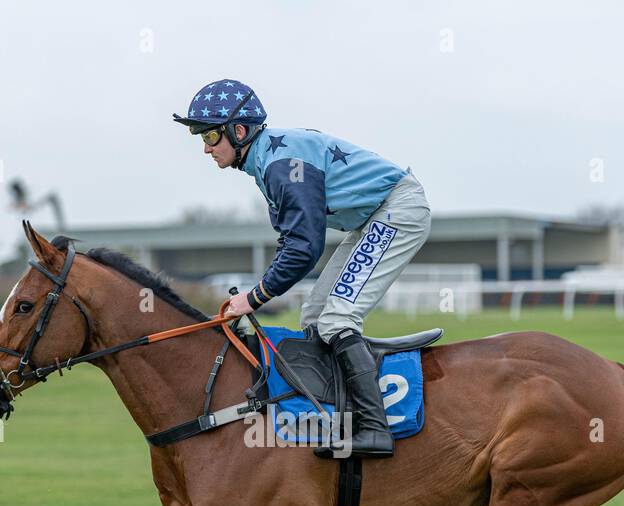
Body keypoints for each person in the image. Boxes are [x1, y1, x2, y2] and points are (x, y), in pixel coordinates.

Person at [172, 80, 431, 458]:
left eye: (210, 135)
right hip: (374, 217)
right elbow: (293, 243)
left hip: (397, 210)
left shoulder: (280, 164)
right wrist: (257, 293)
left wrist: (254, 297)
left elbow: (303, 249)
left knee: (338, 317)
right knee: (315, 314)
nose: (206, 148)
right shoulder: (266, 160)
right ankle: (332, 413)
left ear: (238, 131)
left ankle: (374, 428)